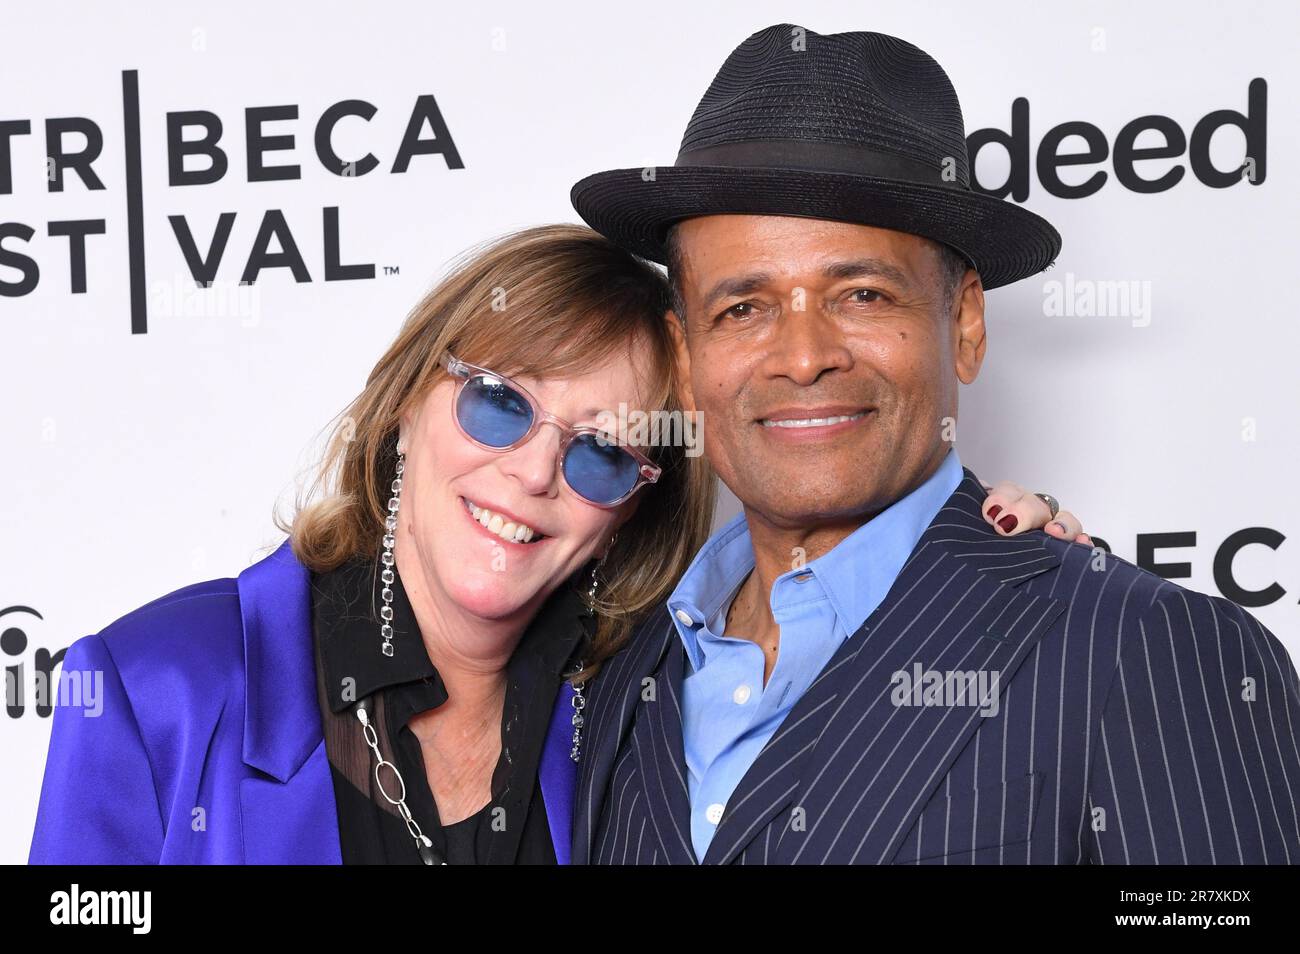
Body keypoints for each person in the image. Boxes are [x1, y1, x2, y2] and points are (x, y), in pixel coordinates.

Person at [27, 222, 1080, 865]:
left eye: (601, 456)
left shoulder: (650, 704)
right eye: (497, 406)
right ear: (403, 408)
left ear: (633, 504)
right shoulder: (155, 687)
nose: (534, 471)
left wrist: (983, 549)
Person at [568, 23, 1300, 864]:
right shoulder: (620, 679)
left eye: (864, 295)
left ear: (965, 323)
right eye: (744, 308)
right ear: (688, 359)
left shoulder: (1149, 654)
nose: (805, 358)